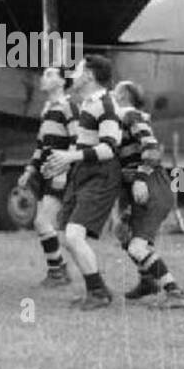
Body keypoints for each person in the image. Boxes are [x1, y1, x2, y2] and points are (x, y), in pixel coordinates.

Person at [41, 54, 123, 310]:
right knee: (66, 234)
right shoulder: (87, 102)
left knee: (75, 236)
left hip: (101, 174)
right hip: (83, 173)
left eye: (76, 70)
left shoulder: (107, 105)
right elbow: (82, 142)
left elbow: (110, 148)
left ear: (88, 75)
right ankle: (97, 288)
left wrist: (70, 156)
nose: (72, 75)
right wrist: (63, 163)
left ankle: (97, 293)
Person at [111, 80, 184, 308]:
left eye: (115, 91)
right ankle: (147, 282)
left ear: (124, 95)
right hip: (138, 187)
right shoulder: (120, 120)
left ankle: (175, 293)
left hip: (152, 185)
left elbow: (152, 148)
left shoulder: (130, 116)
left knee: (137, 246)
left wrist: (141, 178)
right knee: (123, 234)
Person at [17, 66, 74, 287]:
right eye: (45, 74)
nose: (44, 78)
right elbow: (41, 145)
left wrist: (64, 171)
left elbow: (76, 140)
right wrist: (29, 170)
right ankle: (60, 270)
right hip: (45, 172)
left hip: (59, 172)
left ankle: (57, 273)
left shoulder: (69, 107)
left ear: (61, 82)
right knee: (42, 223)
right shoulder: (47, 108)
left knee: (42, 222)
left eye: (50, 74)